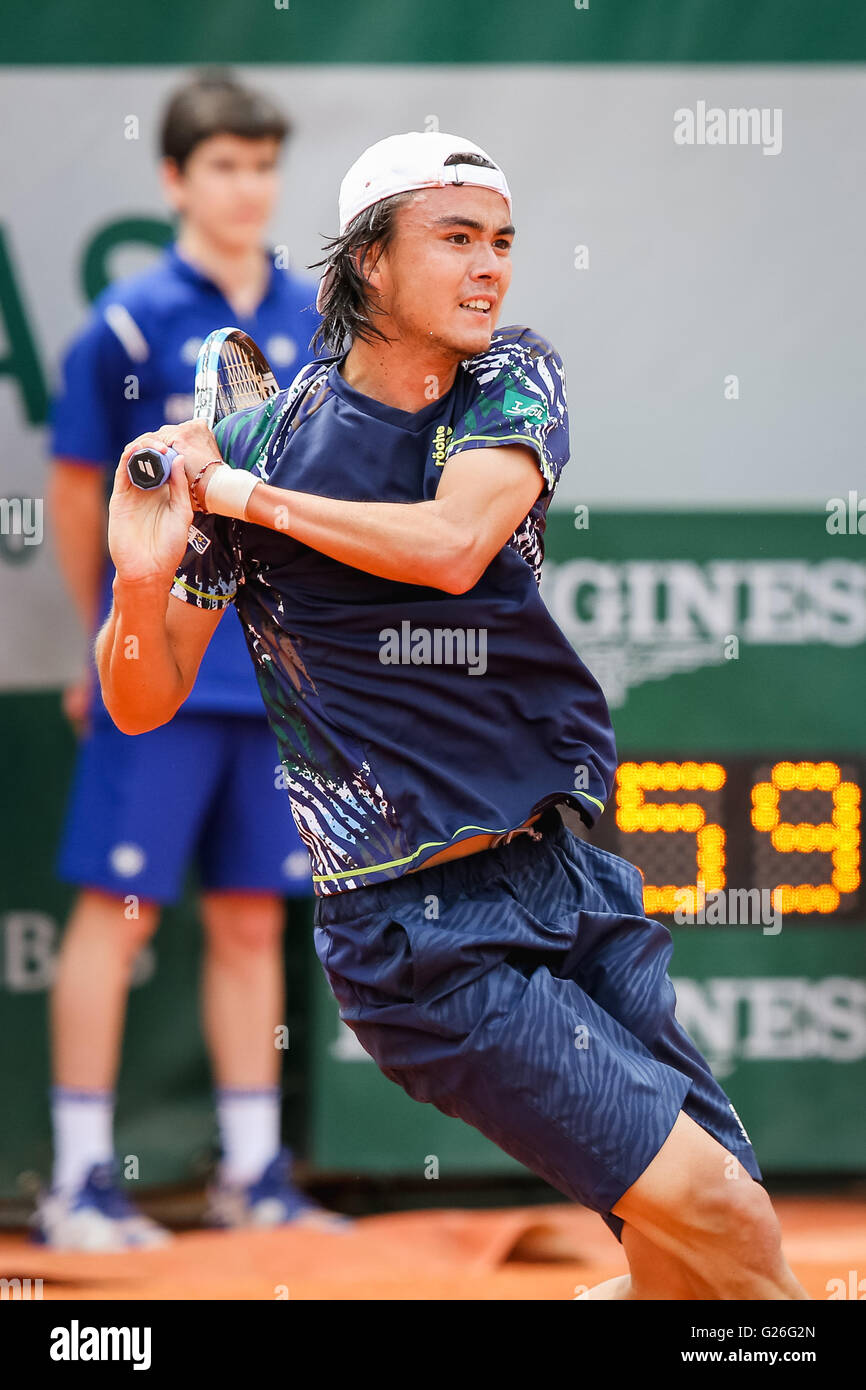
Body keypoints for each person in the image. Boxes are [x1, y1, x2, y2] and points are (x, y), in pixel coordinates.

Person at [96, 129, 808, 1298]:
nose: (491, 268)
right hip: (417, 937)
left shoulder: (507, 378)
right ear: (369, 262)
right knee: (725, 1218)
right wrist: (140, 572)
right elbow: (140, 697)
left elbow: (451, 546)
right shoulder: (255, 446)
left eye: (502, 242)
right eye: (456, 238)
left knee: (686, 1261)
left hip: (568, 878)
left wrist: (236, 496)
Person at [38, 72, 343, 1250]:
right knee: (115, 912)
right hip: (155, 672)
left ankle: (254, 1173)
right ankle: (77, 1182)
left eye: (262, 165)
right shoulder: (121, 328)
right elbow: (78, 499)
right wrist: (111, 637)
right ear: (174, 179)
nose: (246, 187)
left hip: (269, 678)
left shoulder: (315, 326)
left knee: (254, 922)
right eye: (222, 165)